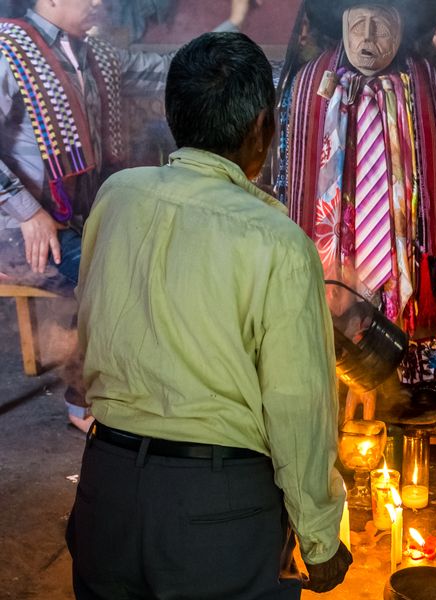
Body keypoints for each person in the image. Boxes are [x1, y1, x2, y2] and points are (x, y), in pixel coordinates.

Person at [65, 31, 352, 598]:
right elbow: (297, 406)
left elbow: (94, 320)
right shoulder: (279, 242)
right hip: (217, 512)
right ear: (263, 130)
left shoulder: (117, 197)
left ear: (176, 116)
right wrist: (319, 535)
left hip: (107, 490)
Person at [0, 0, 259, 431]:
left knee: (157, 260)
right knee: (117, 277)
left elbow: (174, 68)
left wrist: (233, 24)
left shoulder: (97, 55)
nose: (100, 1)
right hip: (17, 231)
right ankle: (85, 404)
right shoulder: (7, 50)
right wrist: (29, 213)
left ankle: (151, 392)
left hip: (81, 222)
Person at [277, 0, 436, 414]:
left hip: (403, 224)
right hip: (335, 224)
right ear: (340, 25)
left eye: (380, 25)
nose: (366, 37)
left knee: (412, 270)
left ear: (401, 28)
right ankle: (331, 356)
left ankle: (415, 366)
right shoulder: (310, 83)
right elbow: (292, 171)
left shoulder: (428, 86)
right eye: (357, 23)